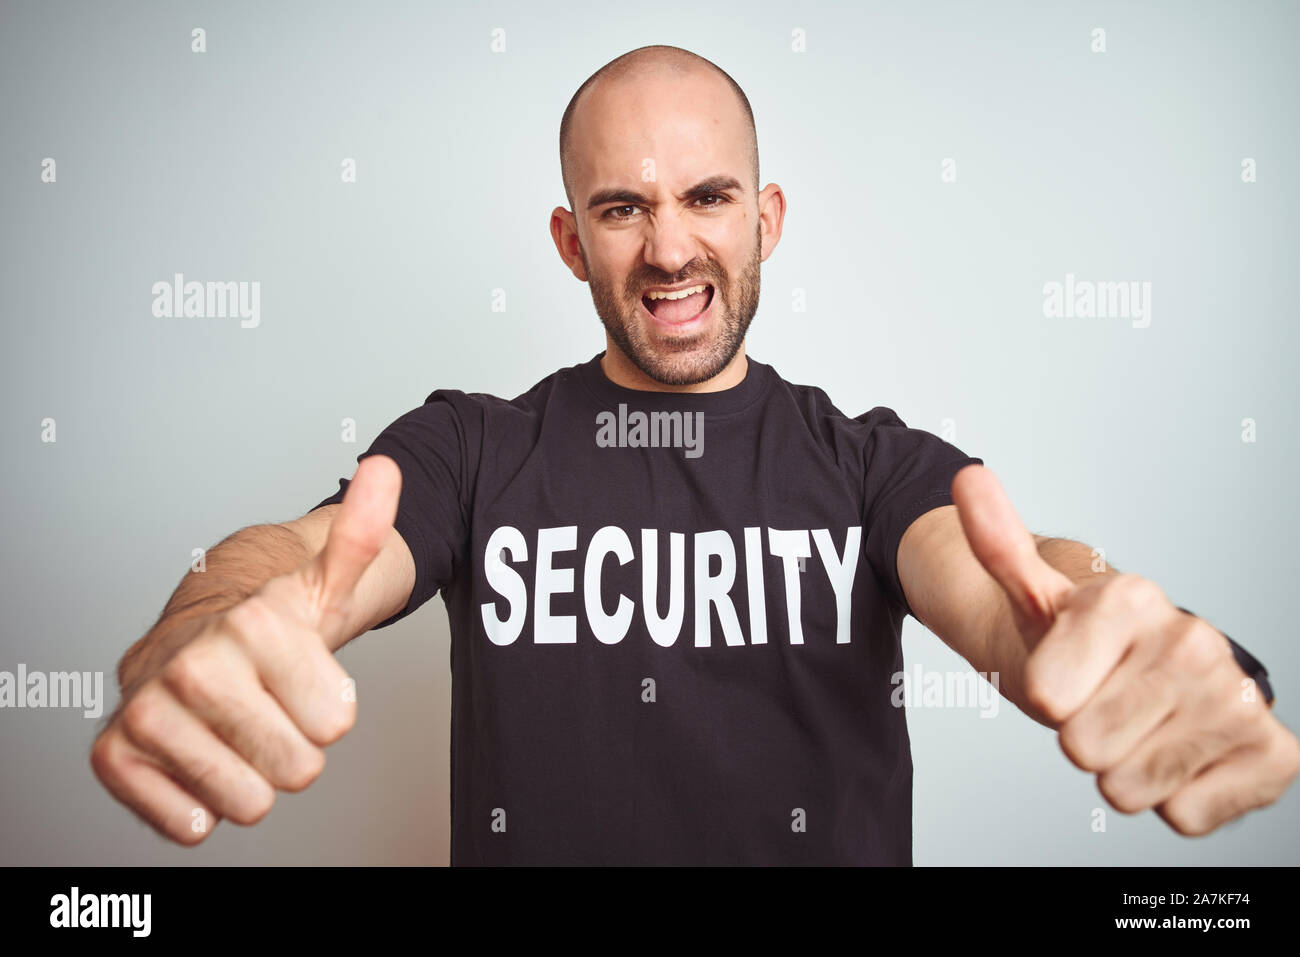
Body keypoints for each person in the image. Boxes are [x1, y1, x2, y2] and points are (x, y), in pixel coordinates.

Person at [92, 45, 1299, 865]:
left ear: (764, 220)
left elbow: (1014, 578)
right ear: (571, 242)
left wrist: (1118, 632)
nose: (669, 250)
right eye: (622, 209)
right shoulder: (469, 450)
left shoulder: (869, 465)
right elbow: (296, 561)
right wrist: (203, 630)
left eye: (708, 198)